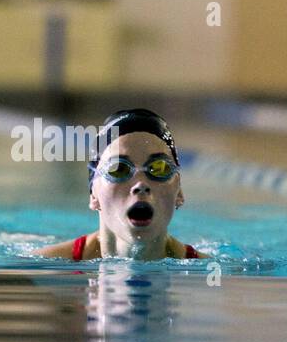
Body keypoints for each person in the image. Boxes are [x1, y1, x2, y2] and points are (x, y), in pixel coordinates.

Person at [37, 108, 201, 260]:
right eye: (118, 169)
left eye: (159, 169)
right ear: (94, 194)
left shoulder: (210, 274)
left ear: (179, 192)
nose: (140, 185)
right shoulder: (43, 268)